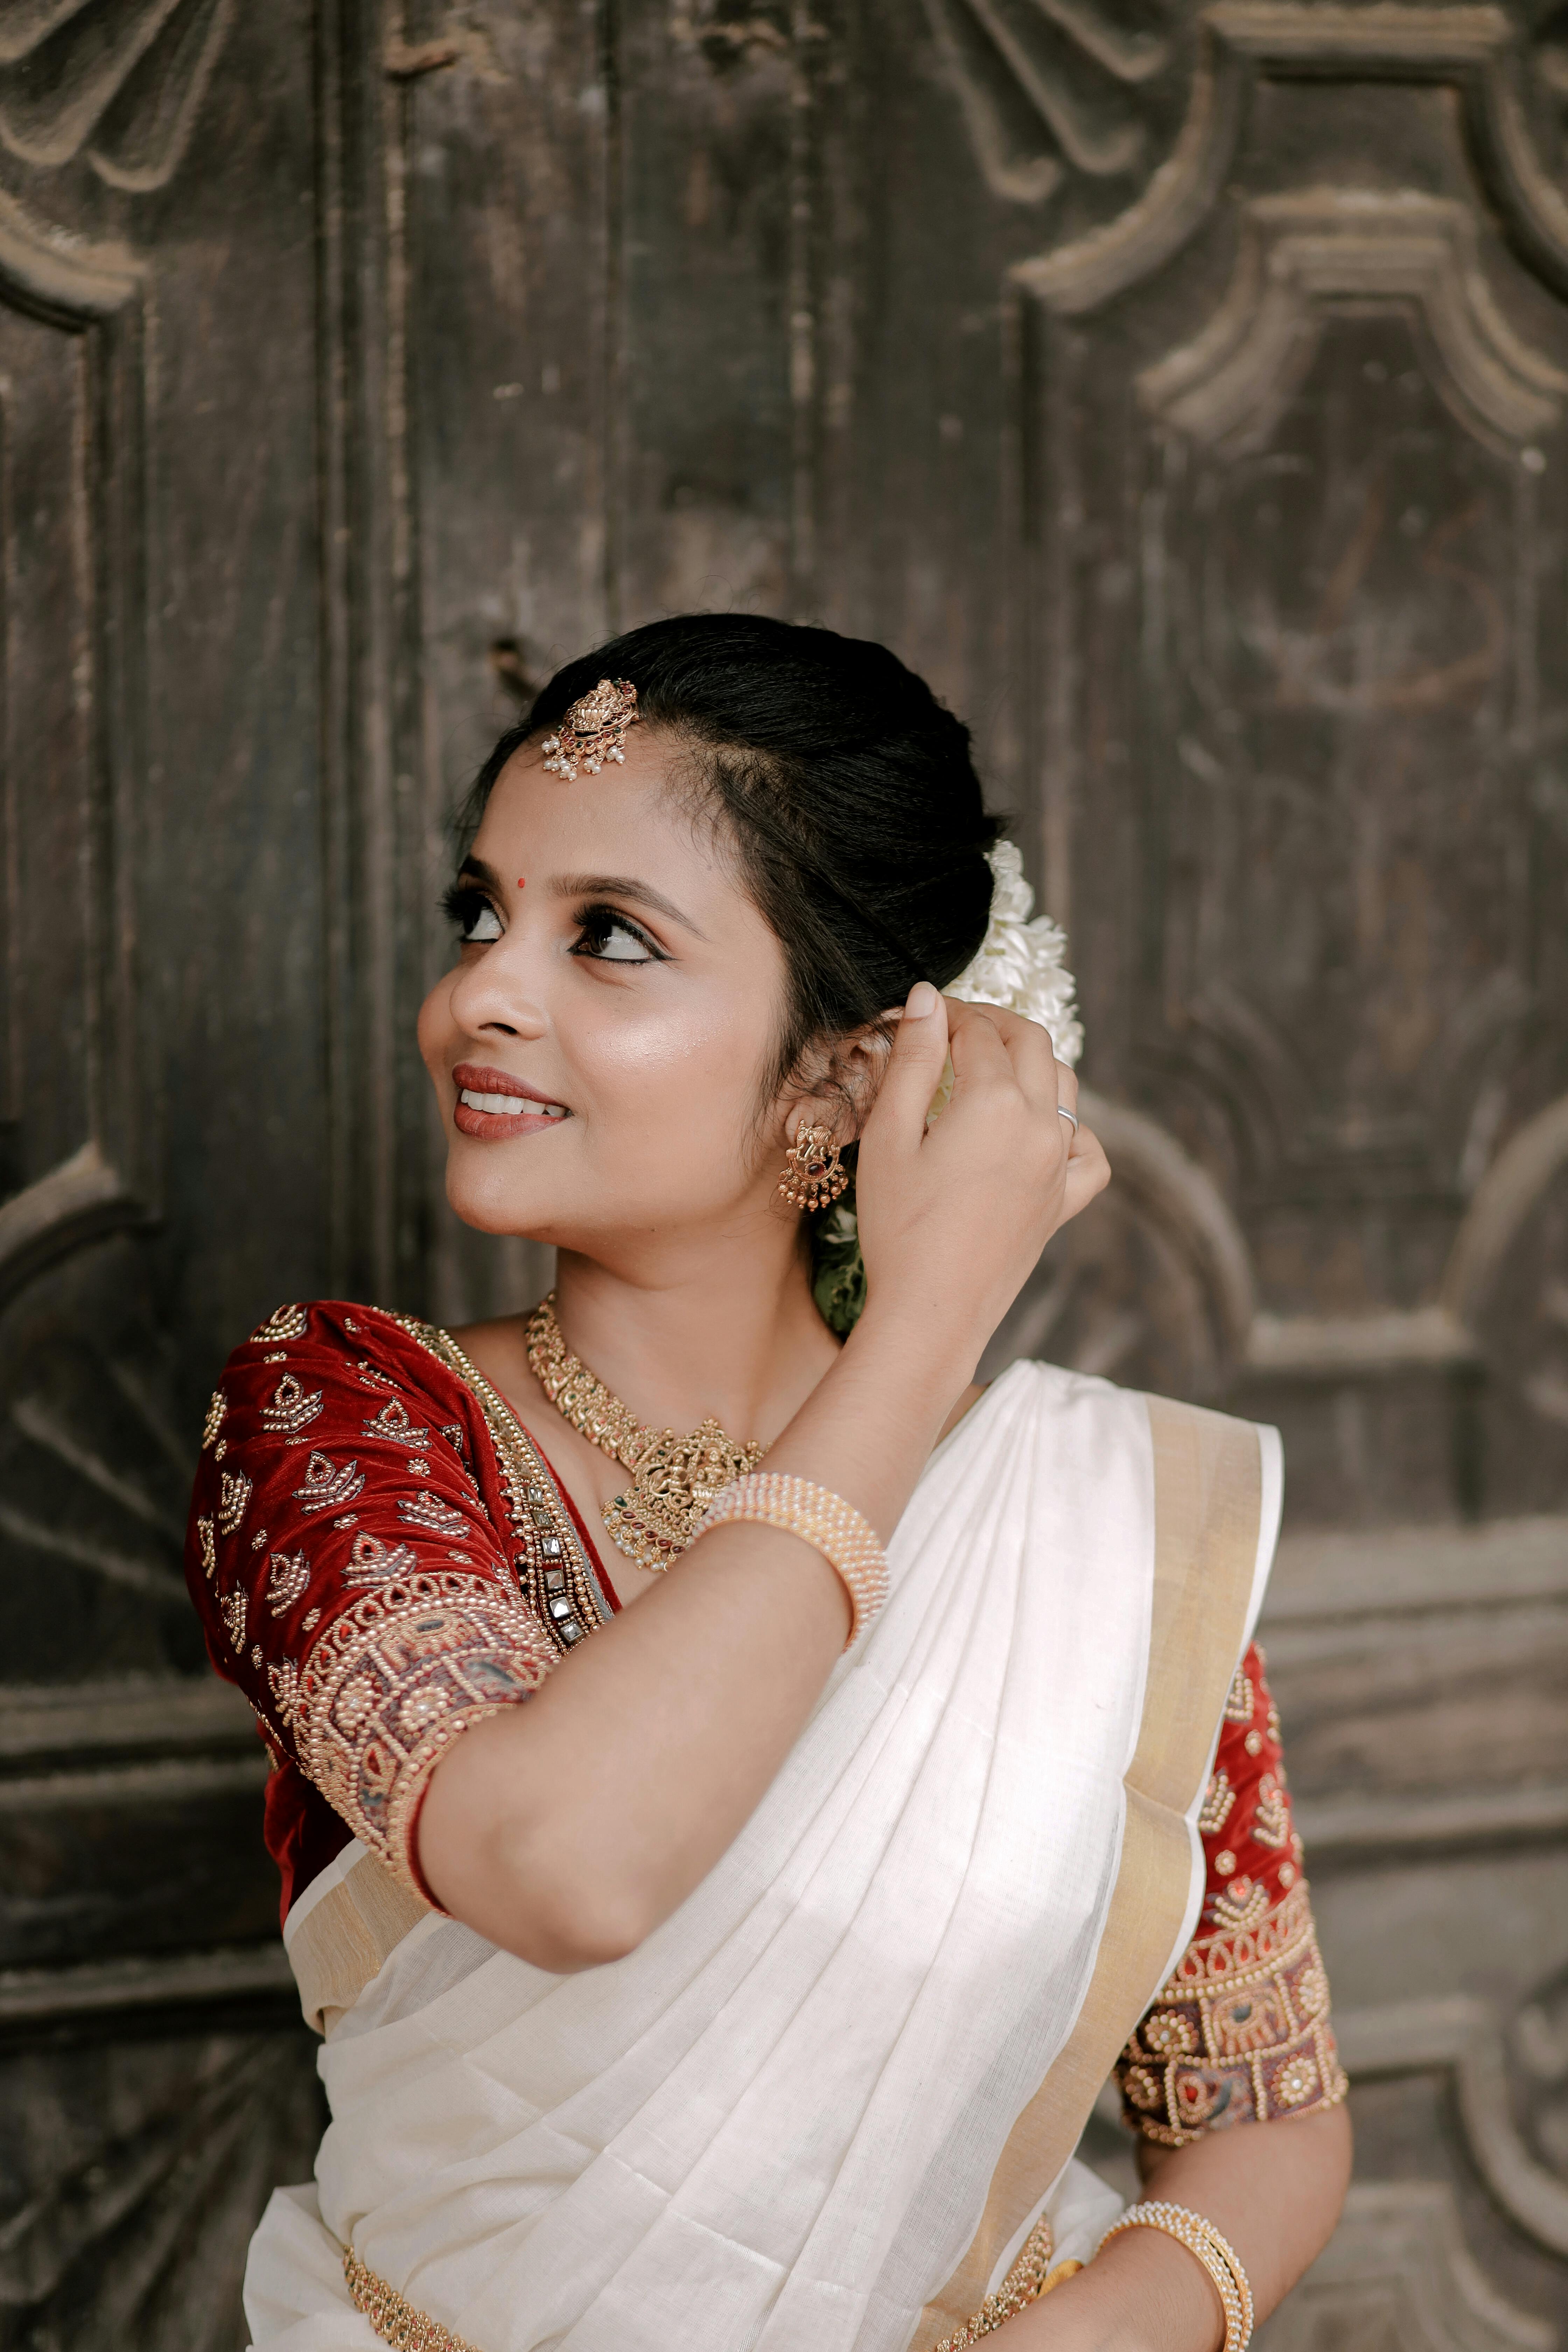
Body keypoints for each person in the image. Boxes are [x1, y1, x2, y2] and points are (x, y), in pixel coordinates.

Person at [187, 615, 1350, 2352]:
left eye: (610, 939)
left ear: (846, 1074)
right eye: (482, 913)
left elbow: (1260, 2112)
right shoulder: (344, 1416)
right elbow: (569, 1865)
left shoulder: (1091, 1529)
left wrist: (1102, 2331)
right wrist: (928, 1318)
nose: (480, 993)